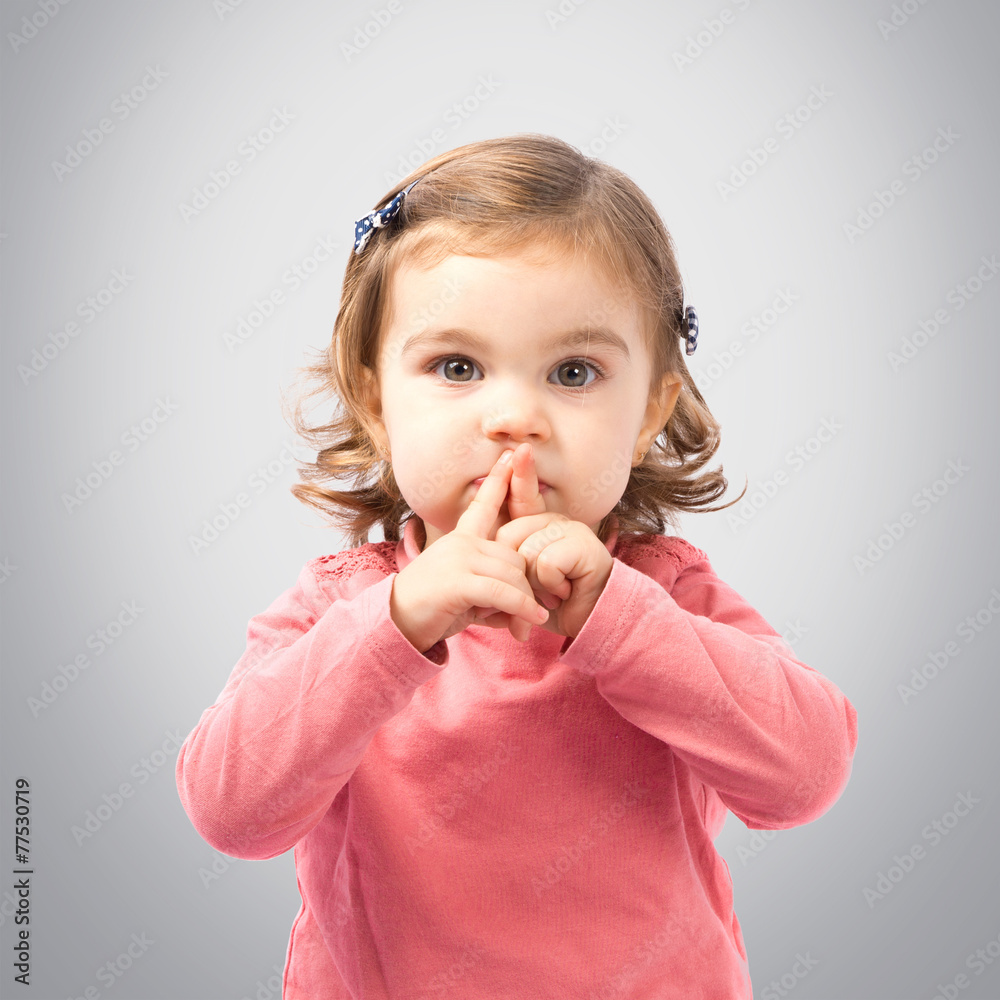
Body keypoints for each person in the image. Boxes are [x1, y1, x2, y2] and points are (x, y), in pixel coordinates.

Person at [176, 133, 858, 999]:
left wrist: (621, 618)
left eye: (573, 372)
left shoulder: (670, 595)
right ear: (375, 400)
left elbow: (805, 779)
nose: (514, 416)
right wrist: (397, 623)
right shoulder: (338, 608)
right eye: (456, 366)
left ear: (650, 411)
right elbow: (230, 814)